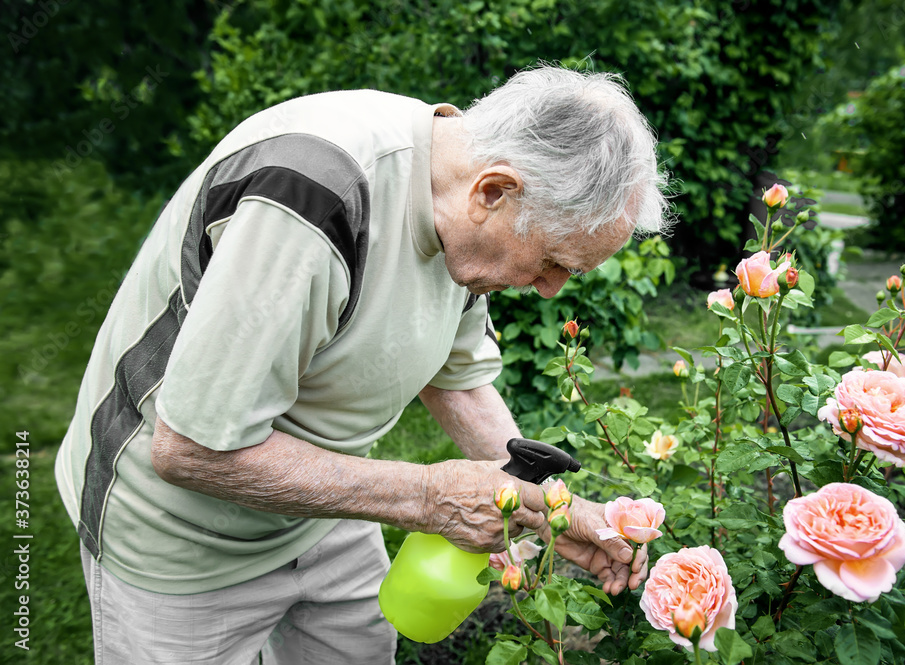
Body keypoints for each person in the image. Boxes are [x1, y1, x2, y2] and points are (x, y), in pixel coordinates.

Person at [55, 65, 671, 664]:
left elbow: (456, 381)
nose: (550, 290)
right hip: (178, 540)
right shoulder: (312, 200)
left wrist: (559, 515)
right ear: (493, 191)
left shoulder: (464, 208)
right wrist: (431, 497)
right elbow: (190, 449)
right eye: (552, 262)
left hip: (325, 511)